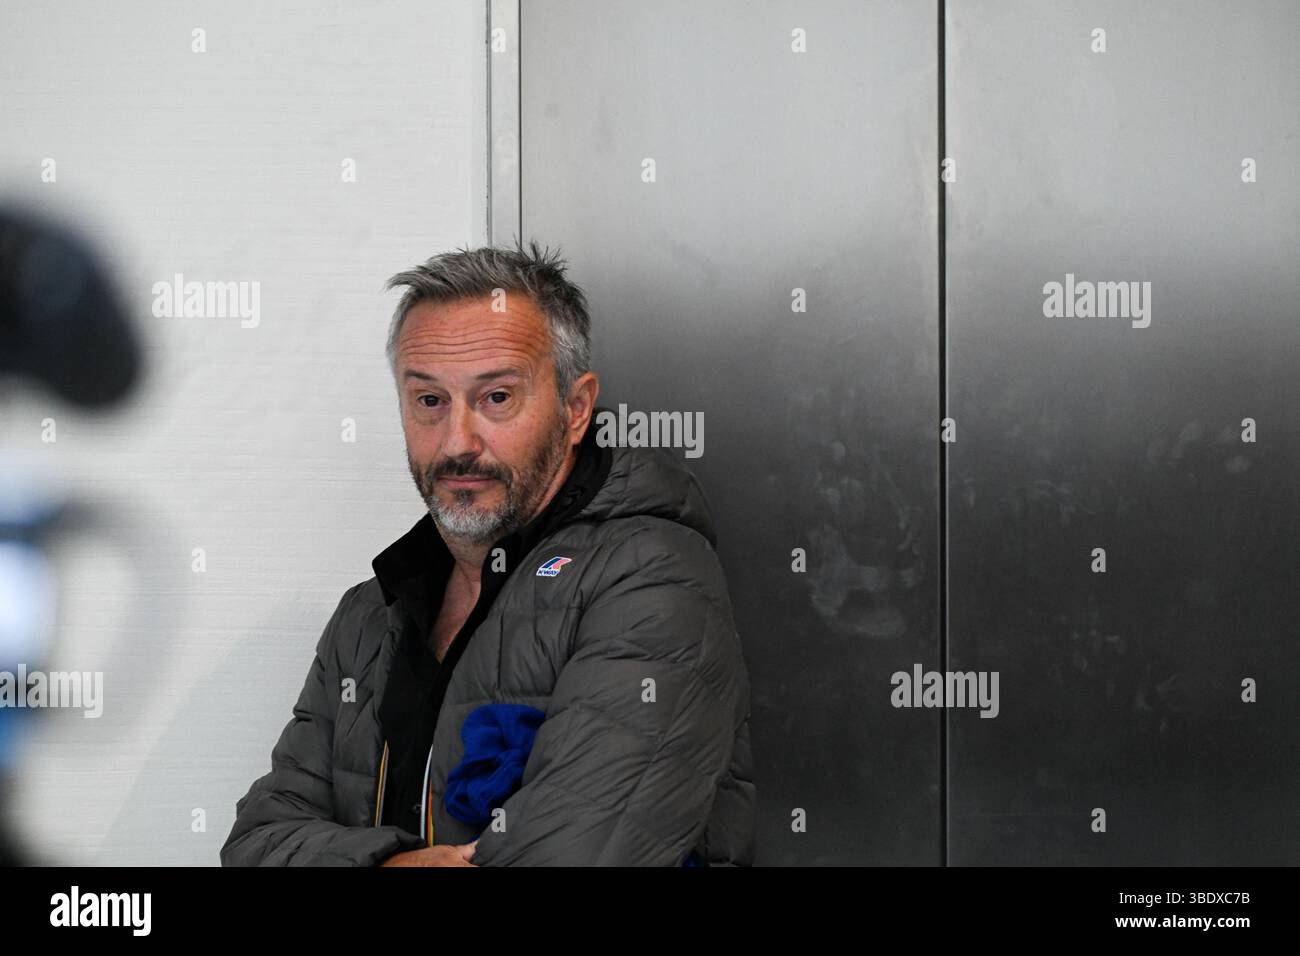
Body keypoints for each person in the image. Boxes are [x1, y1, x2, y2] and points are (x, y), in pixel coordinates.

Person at [220, 240, 755, 866]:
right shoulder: (370, 615)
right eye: (429, 400)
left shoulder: (652, 580)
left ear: (576, 409)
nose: (457, 441)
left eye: (496, 398)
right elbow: (256, 844)